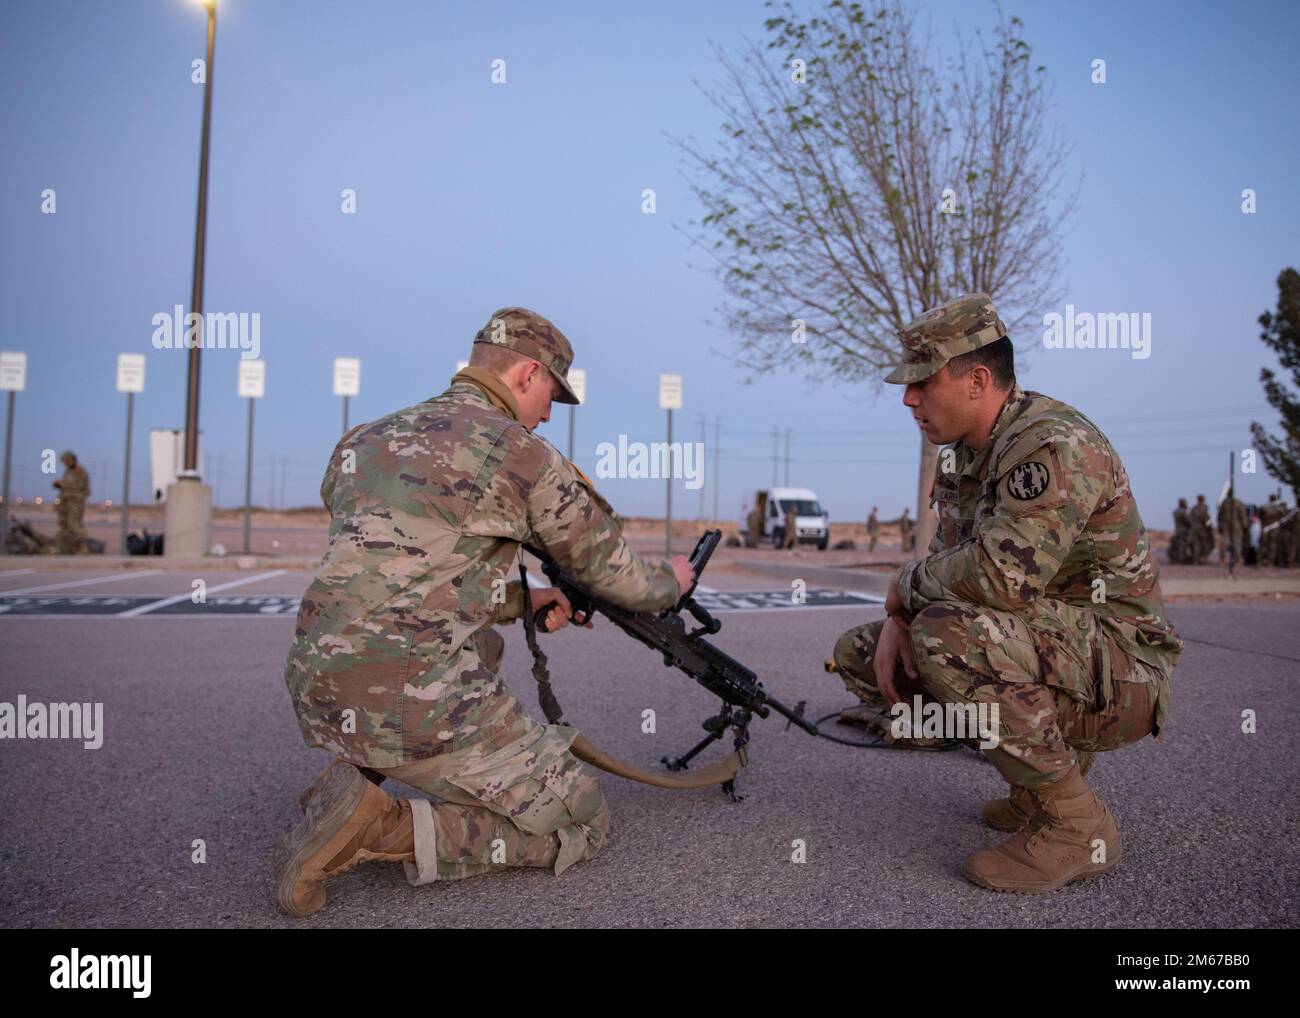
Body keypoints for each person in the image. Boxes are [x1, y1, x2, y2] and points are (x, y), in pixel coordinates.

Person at [274, 307, 695, 917]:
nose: (550, 413)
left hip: (318, 684)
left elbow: (417, 568)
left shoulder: (363, 439)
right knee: (582, 815)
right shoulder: (521, 455)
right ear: (527, 373)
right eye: (552, 393)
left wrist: (528, 600)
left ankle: (359, 769)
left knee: (483, 647)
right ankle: (377, 826)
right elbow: (616, 572)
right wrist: (671, 583)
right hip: (406, 700)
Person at [827, 293, 1182, 894]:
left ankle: (1074, 823)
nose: (908, 398)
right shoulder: (964, 456)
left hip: (1124, 673)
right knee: (864, 652)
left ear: (977, 380)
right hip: (1056, 648)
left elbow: (998, 577)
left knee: (947, 636)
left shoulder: (1051, 445)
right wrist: (897, 615)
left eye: (921, 381)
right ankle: (1031, 788)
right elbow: (946, 563)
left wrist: (902, 590)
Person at [52, 450, 89, 555]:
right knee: (65, 524)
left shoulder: (80, 471)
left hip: (75, 501)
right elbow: (67, 486)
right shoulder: (68, 471)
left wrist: (63, 484)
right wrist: (59, 484)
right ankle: (70, 547)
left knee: (75, 525)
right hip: (66, 501)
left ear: (72, 460)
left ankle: (82, 548)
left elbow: (79, 487)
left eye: (67, 461)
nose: (66, 463)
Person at [1217, 492, 1248, 571]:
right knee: (1236, 542)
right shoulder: (1238, 502)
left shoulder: (1224, 503)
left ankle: (1223, 559)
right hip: (1236, 526)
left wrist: (1220, 525)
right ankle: (1237, 559)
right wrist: (1245, 526)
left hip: (1226, 525)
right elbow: (1242, 514)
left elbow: (1219, 515)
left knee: (1225, 542)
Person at [1190, 494, 1212, 564]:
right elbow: (1206, 518)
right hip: (1202, 529)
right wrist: (1209, 526)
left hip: (1194, 529)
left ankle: (1196, 560)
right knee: (1205, 544)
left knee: (1196, 545)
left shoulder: (1193, 508)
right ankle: (1204, 559)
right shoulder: (1205, 507)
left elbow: (1190, 518)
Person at [1170, 497, 1191, 564]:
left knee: (1177, 544)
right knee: (1182, 545)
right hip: (1183, 531)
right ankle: (1181, 558)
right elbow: (1188, 521)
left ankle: (1176, 558)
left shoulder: (1176, 512)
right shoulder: (1183, 512)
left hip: (1177, 530)